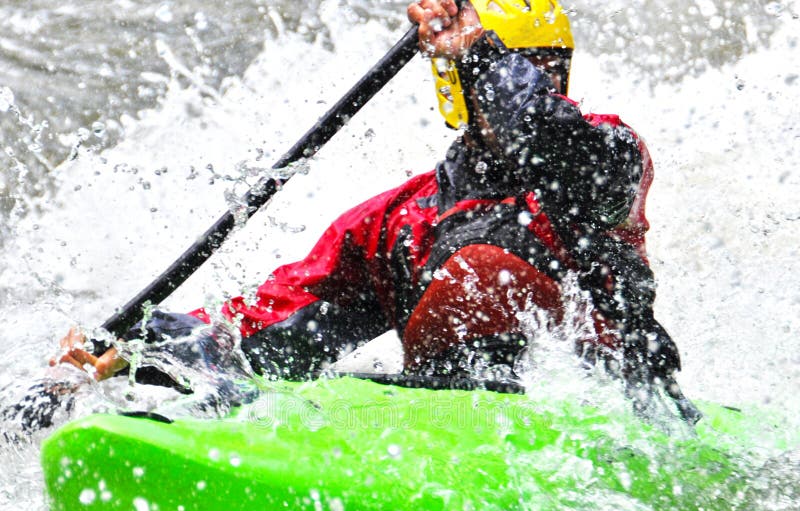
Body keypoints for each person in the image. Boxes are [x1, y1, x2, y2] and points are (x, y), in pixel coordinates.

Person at [53, 0, 694, 419]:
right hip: (459, 432)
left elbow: (538, 132)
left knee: (481, 269)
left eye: (550, 70)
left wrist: (481, 51)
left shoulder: (607, 156)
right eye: (523, 68)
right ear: (458, 83)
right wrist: (144, 346)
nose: (541, 84)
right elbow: (268, 330)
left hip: (621, 420)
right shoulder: (396, 223)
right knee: (241, 382)